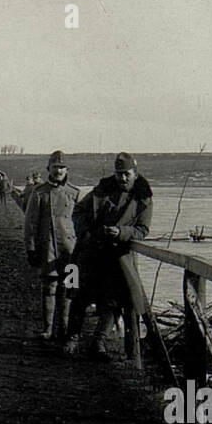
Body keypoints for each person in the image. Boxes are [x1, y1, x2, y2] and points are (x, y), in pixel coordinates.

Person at [65, 152, 154, 363]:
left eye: (126, 174)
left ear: (135, 173)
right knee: (79, 296)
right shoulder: (101, 190)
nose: (122, 178)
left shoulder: (143, 199)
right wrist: (85, 232)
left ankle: (99, 342)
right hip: (89, 252)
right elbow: (78, 211)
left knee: (111, 301)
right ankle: (72, 339)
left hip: (116, 256)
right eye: (119, 174)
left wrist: (122, 232)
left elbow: (142, 230)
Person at [23, 151, 81, 340]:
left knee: (69, 289)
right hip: (48, 248)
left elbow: (81, 223)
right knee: (49, 288)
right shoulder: (39, 193)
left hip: (70, 250)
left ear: (67, 170)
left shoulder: (75, 193)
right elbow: (31, 223)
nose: (58, 171)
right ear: (49, 169)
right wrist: (31, 248)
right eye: (55, 167)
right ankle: (48, 329)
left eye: (62, 167)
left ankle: (64, 329)